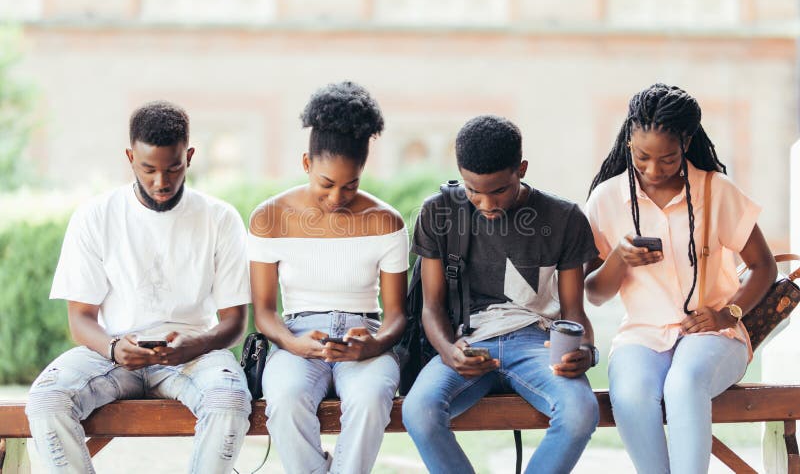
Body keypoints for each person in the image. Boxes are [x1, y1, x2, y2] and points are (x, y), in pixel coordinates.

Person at [25, 101, 253, 473]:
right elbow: (80, 319)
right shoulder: (95, 216)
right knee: (47, 400)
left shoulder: (220, 218)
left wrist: (196, 343)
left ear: (190, 156)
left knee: (228, 399)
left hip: (193, 353)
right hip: (111, 349)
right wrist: (114, 349)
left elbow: (234, 322)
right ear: (130, 157)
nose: (161, 182)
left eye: (173, 167)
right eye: (148, 169)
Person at [584, 83, 777, 473]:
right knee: (633, 394)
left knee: (684, 383)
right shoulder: (607, 198)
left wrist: (729, 313)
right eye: (641, 158)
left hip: (713, 335)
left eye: (667, 160)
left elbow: (764, 267)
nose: (653, 171)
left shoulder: (716, 190)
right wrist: (619, 259)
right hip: (642, 333)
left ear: (686, 142)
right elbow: (595, 293)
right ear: (628, 143)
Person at [402, 115, 600, 474]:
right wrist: (449, 352)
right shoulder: (439, 212)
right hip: (468, 341)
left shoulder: (564, 217)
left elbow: (574, 312)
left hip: (537, 342)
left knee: (580, 412)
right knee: (418, 410)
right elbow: (431, 307)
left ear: (521, 169)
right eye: (473, 190)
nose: (486, 203)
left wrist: (585, 350)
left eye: (498, 191)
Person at [249, 81, 408, 474]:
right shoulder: (269, 219)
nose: (338, 197)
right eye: (326, 184)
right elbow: (265, 314)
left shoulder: (386, 222)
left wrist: (370, 346)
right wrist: (291, 343)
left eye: (350, 185)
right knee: (284, 400)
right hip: (298, 335)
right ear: (306, 164)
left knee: (371, 398)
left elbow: (397, 317)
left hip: (363, 334)